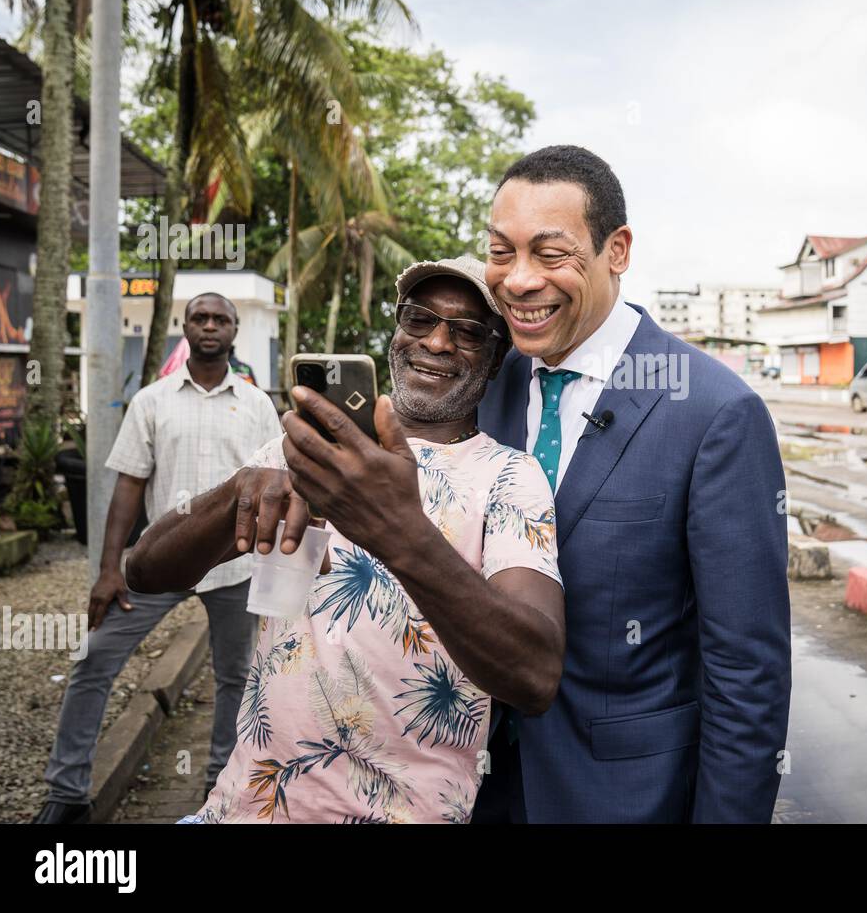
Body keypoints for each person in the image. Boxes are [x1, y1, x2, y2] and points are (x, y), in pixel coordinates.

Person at [125, 258, 565, 823]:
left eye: (468, 331)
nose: (436, 341)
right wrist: (242, 490)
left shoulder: (510, 477)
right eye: (419, 319)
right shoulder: (309, 453)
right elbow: (146, 569)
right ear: (396, 333)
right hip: (241, 809)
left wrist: (400, 530)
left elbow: (535, 676)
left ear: (496, 356)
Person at [474, 145, 791, 823]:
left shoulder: (714, 413)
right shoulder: (483, 387)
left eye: (550, 254)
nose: (519, 281)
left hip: (626, 800)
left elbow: (747, 675)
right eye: (501, 252)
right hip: (478, 791)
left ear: (616, 250)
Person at [34, 293, 282, 824]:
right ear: (185, 327)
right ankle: (67, 792)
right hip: (160, 566)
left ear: (234, 330)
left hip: (235, 566)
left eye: (220, 319)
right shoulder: (152, 400)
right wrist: (107, 571)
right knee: (92, 658)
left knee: (237, 679)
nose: (210, 326)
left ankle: (221, 790)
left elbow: (274, 488)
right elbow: (128, 488)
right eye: (201, 318)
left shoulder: (259, 405)